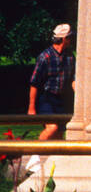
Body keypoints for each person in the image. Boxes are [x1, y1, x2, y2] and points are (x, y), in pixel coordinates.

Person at [27, 24, 75, 160]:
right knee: (52, 128)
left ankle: (54, 166)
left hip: (61, 100)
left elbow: (73, 79)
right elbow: (34, 83)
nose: (72, 40)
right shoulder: (45, 57)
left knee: (59, 135)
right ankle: (34, 159)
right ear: (64, 38)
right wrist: (31, 108)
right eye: (70, 37)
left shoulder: (70, 57)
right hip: (47, 99)